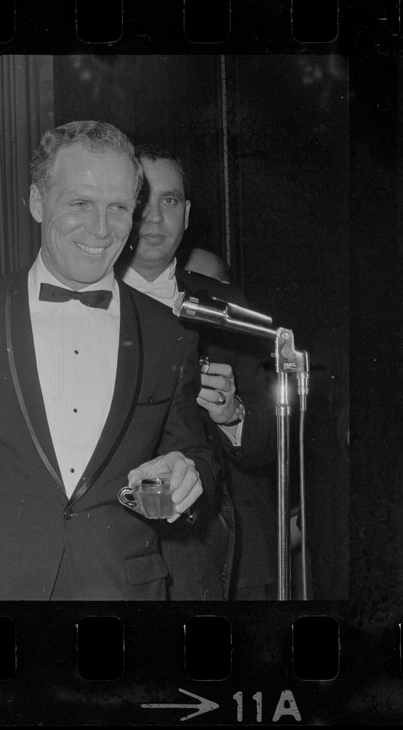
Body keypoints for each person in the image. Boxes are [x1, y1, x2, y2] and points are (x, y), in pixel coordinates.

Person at [0, 120, 218, 601]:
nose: (101, 229)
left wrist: (187, 476)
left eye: (118, 207)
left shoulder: (168, 333)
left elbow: (193, 454)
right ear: (38, 202)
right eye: (80, 203)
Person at [120, 146, 277, 600]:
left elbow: (269, 442)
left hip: (214, 547)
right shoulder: (89, 302)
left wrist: (232, 415)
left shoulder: (227, 306)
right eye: (141, 201)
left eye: (168, 201)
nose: (153, 217)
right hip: (115, 539)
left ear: (186, 214)